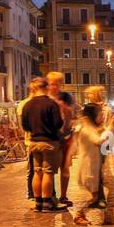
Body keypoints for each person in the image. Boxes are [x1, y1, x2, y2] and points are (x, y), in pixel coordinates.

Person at [20, 77, 64, 212]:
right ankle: (47, 202)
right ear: (46, 87)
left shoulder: (27, 105)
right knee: (48, 173)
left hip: (34, 142)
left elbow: (25, 126)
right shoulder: (51, 104)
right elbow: (58, 124)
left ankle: (37, 202)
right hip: (49, 142)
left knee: (37, 172)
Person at [69, 102, 110, 225]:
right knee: (95, 197)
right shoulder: (86, 128)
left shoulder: (88, 127)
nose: (102, 116)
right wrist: (110, 127)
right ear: (93, 115)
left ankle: (107, 217)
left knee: (99, 196)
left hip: (92, 167)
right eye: (100, 114)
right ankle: (79, 213)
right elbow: (99, 141)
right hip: (88, 168)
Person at [46, 71, 76, 208]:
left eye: (57, 84)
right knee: (50, 169)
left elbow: (72, 114)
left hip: (66, 136)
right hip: (51, 137)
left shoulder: (66, 97)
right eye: (52, 84)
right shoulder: (44, 98)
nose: (54, 87)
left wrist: (63, 107)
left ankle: (63, 196)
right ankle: (51, 195)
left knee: (65, 168)